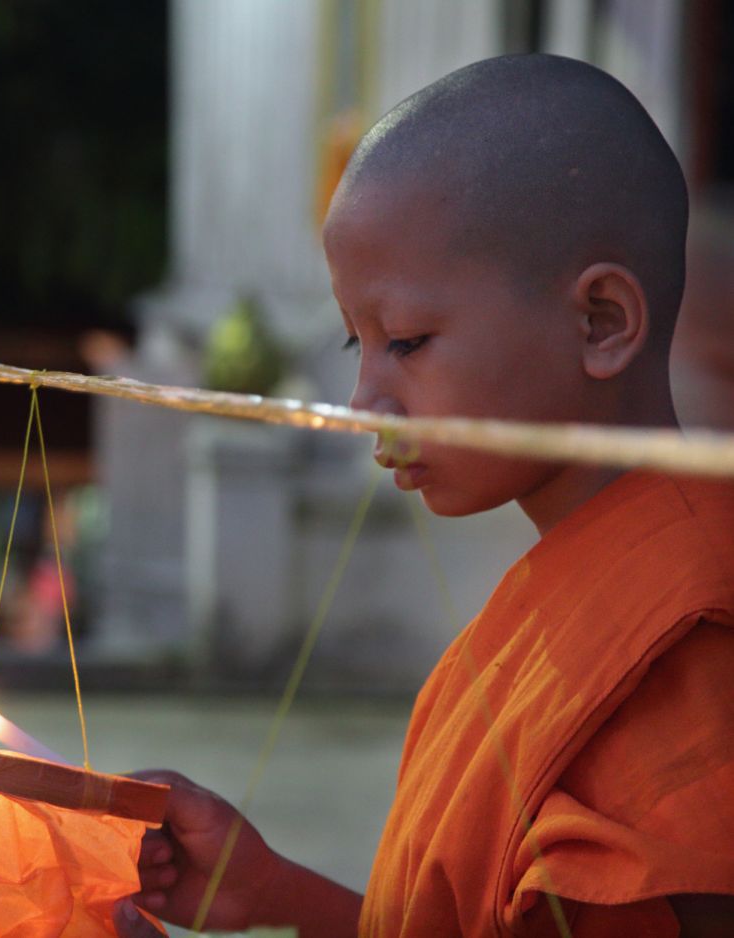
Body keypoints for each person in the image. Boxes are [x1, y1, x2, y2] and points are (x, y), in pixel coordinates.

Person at [115, 54, 734, 937]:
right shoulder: (566, 595)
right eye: (353, 345)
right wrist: (271, 894)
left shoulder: (685, 649)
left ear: (601, 323)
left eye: (405, 341)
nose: (365, 401)